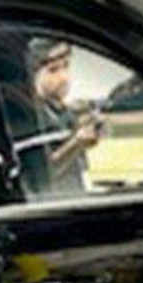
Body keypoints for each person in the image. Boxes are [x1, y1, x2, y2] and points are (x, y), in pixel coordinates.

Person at [10, 38, 101, 194]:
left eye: (66, 66)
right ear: (33, 75)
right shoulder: (28, 117)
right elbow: (40, 177)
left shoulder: (62, 112)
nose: (64, 77)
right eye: (53, 70)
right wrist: (77, 143)